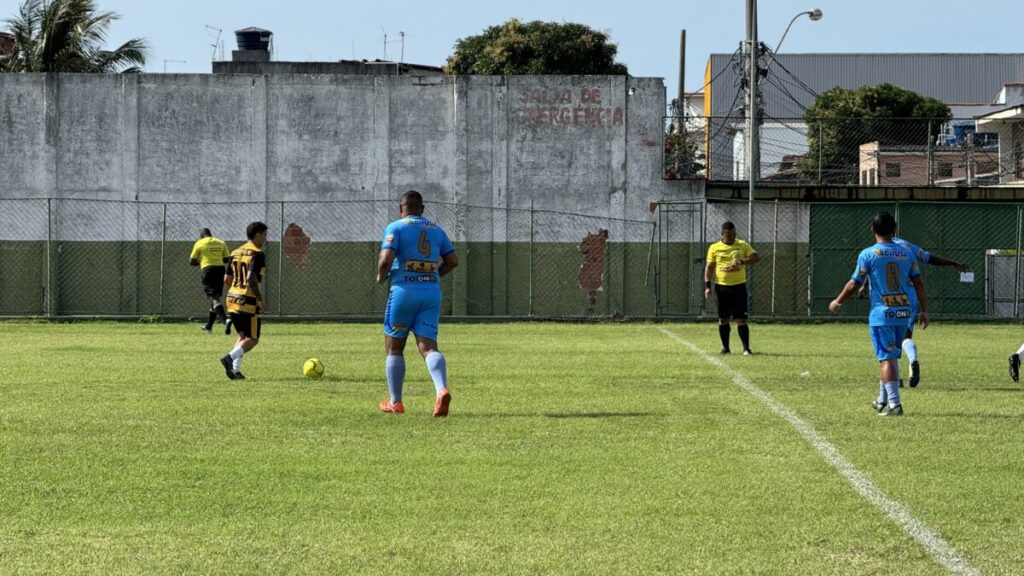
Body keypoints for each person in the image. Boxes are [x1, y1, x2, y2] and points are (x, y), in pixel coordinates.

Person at [829, 212, 929, 417]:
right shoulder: (906, 253)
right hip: (902, 312)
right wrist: (925, 310)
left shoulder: (869, 254)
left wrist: (838, 301)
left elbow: (854, 283)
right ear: (894, 230)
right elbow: (919, 283)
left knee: (886, 359)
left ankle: (895, 405)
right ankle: (882, 400)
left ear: (872, 230)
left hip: (881, 314)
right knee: (890, 357)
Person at [376, 190, 459, 417]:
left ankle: (396, 403)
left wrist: (381, 276)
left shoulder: (396, 227)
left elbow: (385, 260)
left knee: (394, 347)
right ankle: (441, 389)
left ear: (401, 208)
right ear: (422, 209)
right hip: (431, 293)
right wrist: (434, 276)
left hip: (403, 291)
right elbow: (452, 260)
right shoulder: (436, 229)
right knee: (429, 346)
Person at [863, 236, 967, 387]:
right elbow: (929, 257)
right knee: (904, 335)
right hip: (908, 295)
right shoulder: (905, 246)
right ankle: (912, 360)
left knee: (889, 339)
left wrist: (864, 285)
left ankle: (895, 380)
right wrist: (952, 262)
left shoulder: (877, 248)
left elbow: (873, 266)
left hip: (885, 297)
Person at [220, 222, 268, 380]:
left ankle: (235, 371)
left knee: (242, 336)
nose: (265, 238)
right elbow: (251, 278)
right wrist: (259, 299)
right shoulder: (258, 253)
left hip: (232, 298)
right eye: (264, 234)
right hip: (248, 300)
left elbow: (227, 278)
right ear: (257, 235)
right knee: (253, 339)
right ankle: (229, 358)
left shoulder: (235, 252)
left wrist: (234, 292)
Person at [704, 221, 760, 355]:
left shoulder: (742, 245)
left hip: (739, 287)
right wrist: (707, 286)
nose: (731, 237)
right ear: (722, 234)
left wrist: (742, 262)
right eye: (728, 235)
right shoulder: (714, 248)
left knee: (741, 318)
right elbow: (710, 267)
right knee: (723, 318)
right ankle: (726, 348)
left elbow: (756, 257)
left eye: (733, 234)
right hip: (721, 288)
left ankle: (746, 348)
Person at [188, 228, 231, 334]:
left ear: (201, 236)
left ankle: (225, 320)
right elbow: (227, 259)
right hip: (220, 269)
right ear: (211, 234)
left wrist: (203, 261)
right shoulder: (220, 242)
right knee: (215, 297)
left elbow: (192, 261)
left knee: (214, 298)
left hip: (208, 270)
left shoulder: (199, 243)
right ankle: (209, 327)